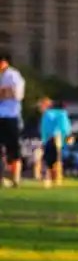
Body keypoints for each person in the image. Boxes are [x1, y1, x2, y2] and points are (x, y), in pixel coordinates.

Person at [0, 51, 26, 187]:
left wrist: (4, 92)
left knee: (13, 148)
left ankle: (15, 178)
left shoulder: (13, 75)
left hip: (10, 116)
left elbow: (16, 93)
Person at [38, 98, 72, 188]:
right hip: (58, 138)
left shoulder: (47, 114)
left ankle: (49, 178)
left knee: (49, 160)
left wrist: (44, 140)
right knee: (57, 159)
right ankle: (57, 179)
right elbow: (65, 128)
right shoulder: (62, 113)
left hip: (52, 138)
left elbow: (44, 129)